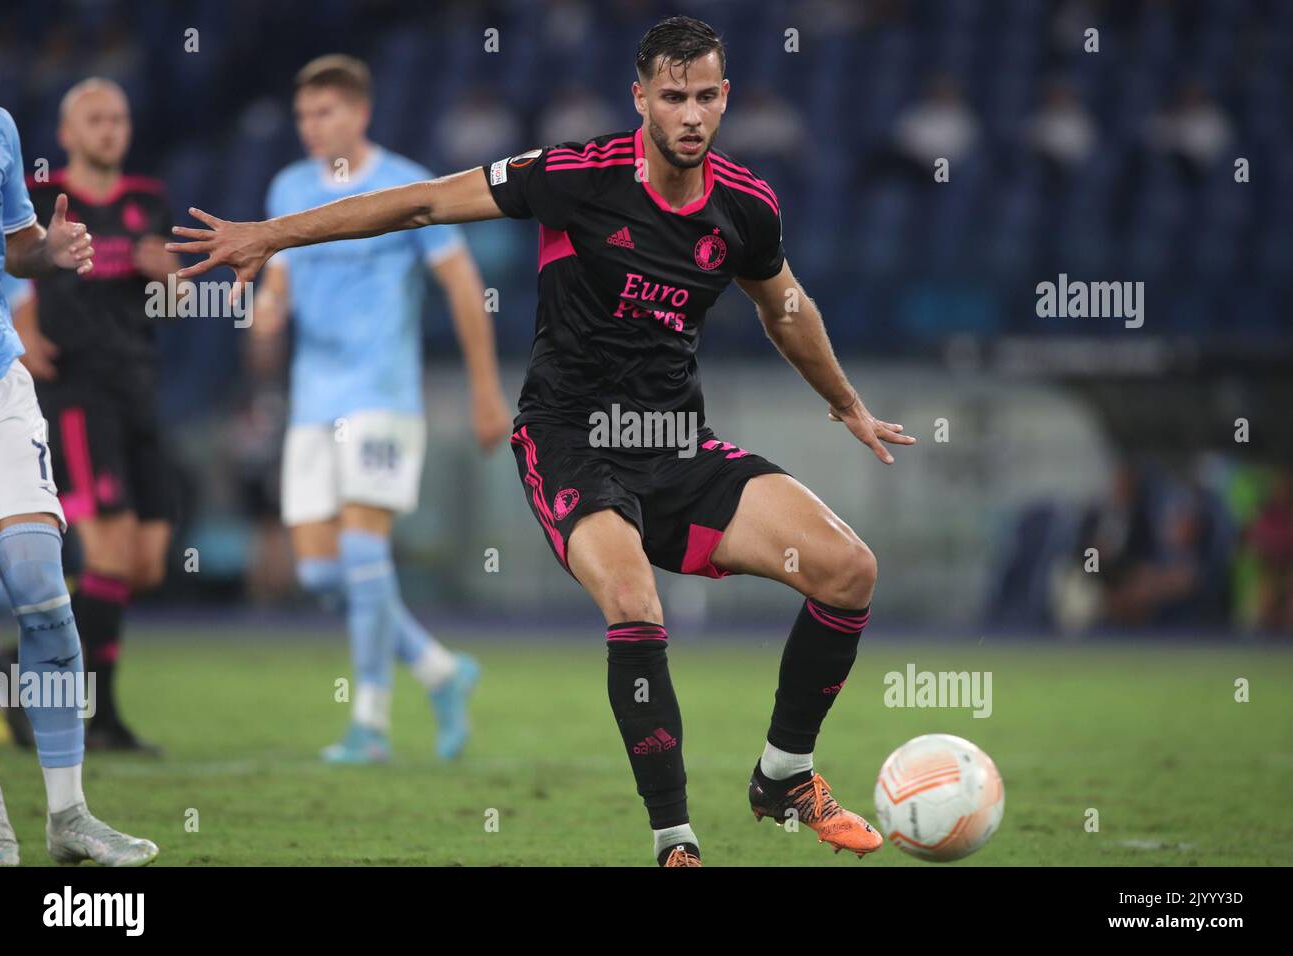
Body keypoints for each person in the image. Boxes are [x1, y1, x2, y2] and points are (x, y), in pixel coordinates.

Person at [168, 17, 914, 867]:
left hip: (677, 443)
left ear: (726, 97)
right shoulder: (571, 176)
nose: (692, 114)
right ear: (641, 99)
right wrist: (273, 234)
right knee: (635, 604)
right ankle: (676, 842)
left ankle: (784, 776)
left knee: (849, 569)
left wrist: (845, 402)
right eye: (673, 97)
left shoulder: (746, 204)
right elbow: (416, 202)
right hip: (569, 440)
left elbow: (784, 307)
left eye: (706, 95)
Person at [251, 55, 510, 763]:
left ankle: (369, 723)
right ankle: (439, 670)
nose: (311, 127)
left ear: (359, 114)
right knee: (321, 574)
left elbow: (463, 285)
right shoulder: (289, 187)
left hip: (381, 396)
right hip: (312, 402)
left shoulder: (407, 186)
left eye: (325, 112)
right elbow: (280, 280)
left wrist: (487, 392)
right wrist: (266, 313)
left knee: (365, 552)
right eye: (303, 115)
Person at [0, 103, 158, 866]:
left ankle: (68, 817)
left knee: (43, 591)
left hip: (0, 386)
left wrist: (50, 251)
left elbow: (17, 250)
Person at [11, 78, 182, 753]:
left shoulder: (149, 202)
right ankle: (98, 717)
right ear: (67, 131)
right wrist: (17, 318)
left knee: (143, 565)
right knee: (107, 551)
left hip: (140, 386)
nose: (111, 128)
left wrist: (166, 273)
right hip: (77, 393)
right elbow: (6, 268)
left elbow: (173, 307)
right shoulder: (39, 197)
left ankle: (17, 670)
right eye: (96, 118)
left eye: (119, 117)